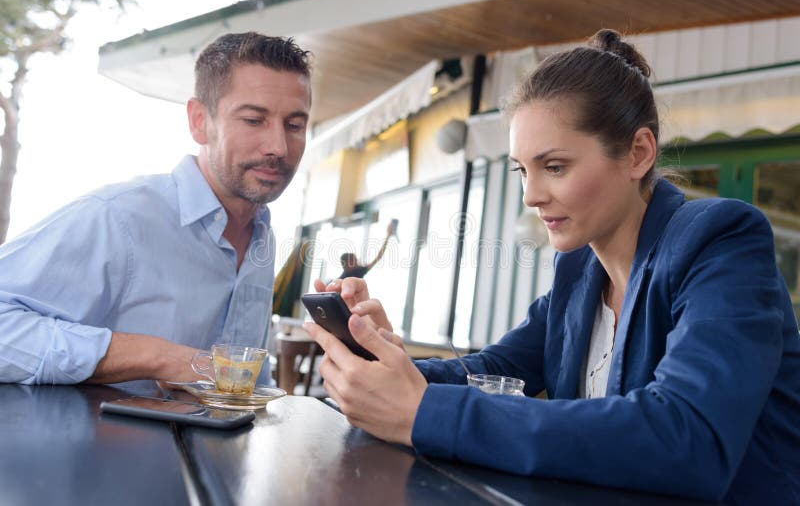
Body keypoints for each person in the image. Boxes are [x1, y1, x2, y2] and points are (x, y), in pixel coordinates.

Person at [304, 29, 800, 503]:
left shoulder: (721, 241)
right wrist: (384, 363)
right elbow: (492, 371)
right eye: (523, 170)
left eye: (555, 167)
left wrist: (423, 412)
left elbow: (688, 436)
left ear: (638, 153)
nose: (530, 196)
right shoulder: (581, 271)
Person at [0, 32, 312, 385]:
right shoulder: (118, 217)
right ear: (199, 121)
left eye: (295, 125)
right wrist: (156, 357)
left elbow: (242, 382)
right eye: (253, 120)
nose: (278, 146)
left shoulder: (261, 235)